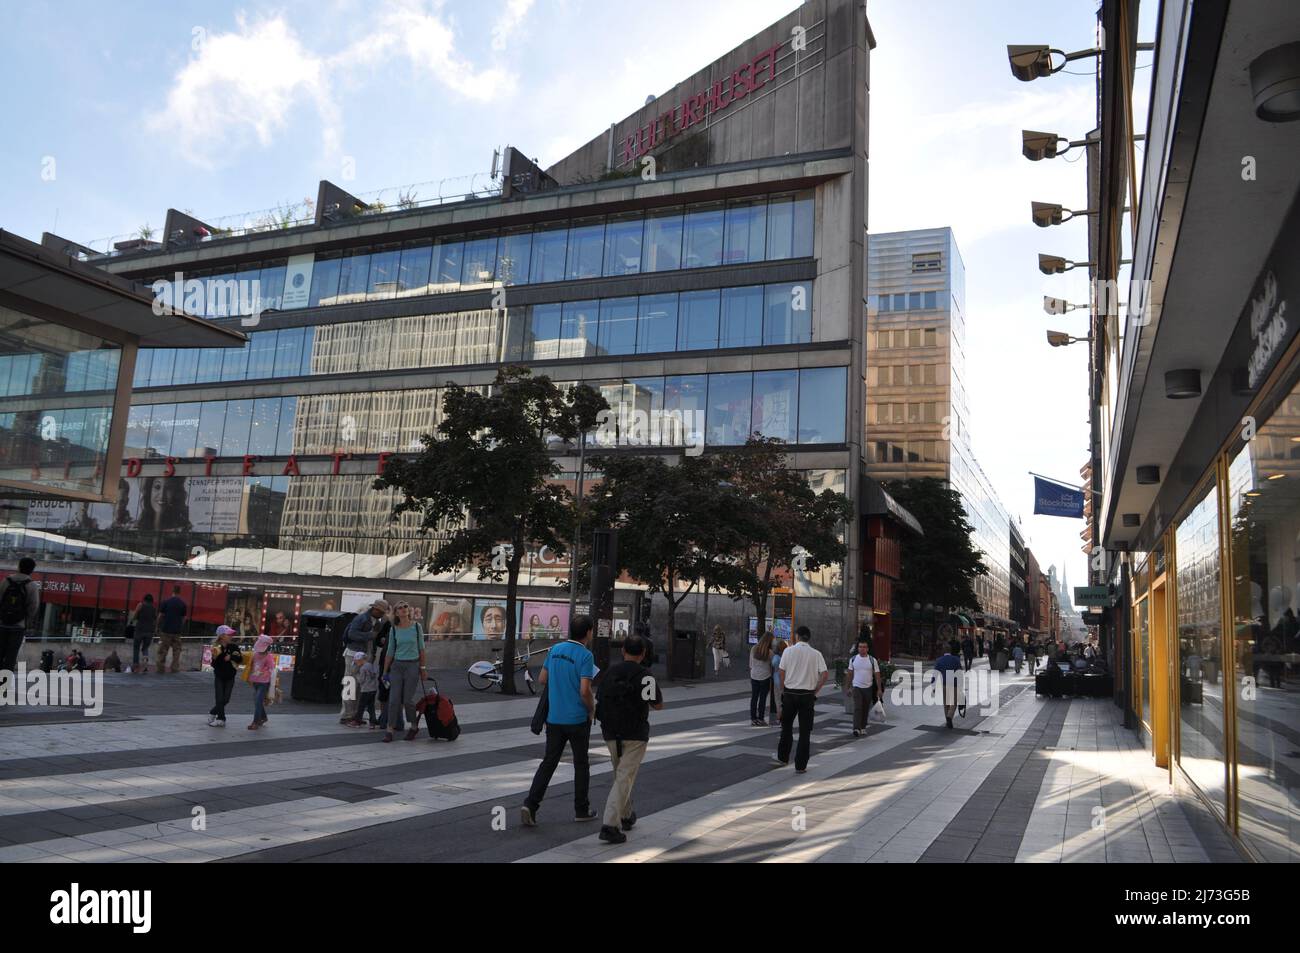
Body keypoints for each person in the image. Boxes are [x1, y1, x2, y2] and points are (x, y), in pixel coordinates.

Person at [521, 615, 598, 826]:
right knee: (581, 764)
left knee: (549, 762)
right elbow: (585, 690)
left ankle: (531, 804)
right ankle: (581, 809)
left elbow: (542, 679)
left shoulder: (555, 650)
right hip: (577, 719)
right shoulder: (586, 655)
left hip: (554, 718)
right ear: (589, 632)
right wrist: (592, 709)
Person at [594, 634, 664, 844]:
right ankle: (609, 824)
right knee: (624, 777)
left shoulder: (610, 672)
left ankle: (625, 815)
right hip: (635, 734)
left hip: (610, 733)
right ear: (643, 654)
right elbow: (657, 704)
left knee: (621, 775)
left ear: (623, 651)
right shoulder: (646, 675)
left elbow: (599, 699)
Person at [773, 626, 828, 773]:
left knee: (786, 727)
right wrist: (816, 690)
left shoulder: (788, 651)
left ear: (797, 636)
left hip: (790, 694)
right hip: (807, 696)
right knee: (805, 732)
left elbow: (781, 671)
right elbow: (825, 674)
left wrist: (784, 688)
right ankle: (801, 765)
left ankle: (783, 757)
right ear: (808, 638)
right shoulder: (816, 654)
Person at [381, 601, 427, 742]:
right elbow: (390, 651)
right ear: (396, 613)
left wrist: (423, 669)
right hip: (397, 666)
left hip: (412, 665)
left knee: (408, 700)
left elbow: (422, 649)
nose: (403, 609)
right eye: (399, 608)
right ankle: (390, 730)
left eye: (405, 606)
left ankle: (413, 726)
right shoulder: (394, 629)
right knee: (394, 699)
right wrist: (384, 671)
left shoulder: (417, 627)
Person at [341, 599, 389, 725]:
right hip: (353, 655)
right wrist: (370, 635)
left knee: (360, 686)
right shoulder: (361, 618)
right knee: (350, 684)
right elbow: (352, 634)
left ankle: (355, 715)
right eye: (381, 612)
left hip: (365, 656)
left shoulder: (377, 622)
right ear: (375, 609)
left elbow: (375, 639)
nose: (382, 614)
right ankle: (346, 715)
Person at [0, 557, 41, 674]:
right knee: (10, 657)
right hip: (18, 626)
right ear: (32, 570)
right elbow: (33, 607)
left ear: (19, 566)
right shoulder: (32, 585)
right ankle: (3, 687)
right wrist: (26, 622)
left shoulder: (6, 581)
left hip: (2, 624)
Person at [846, 638, 883, 738]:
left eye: (864, 647)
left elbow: (877, 675)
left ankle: (863, 727)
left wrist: (879, 689)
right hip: (856, 686)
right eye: (860, 647)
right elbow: (850, 673)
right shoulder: (853, 659)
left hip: (868, 687)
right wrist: (848, 687)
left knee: (865, 708)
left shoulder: (872, 660)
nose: (862, 649)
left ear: (867, 649)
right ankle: (856, 728)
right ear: (858, 648)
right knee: (858, 707)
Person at [208, 625, 243, 727]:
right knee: (219, 698)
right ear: (222, 636)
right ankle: (221, 719)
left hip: (230, 677)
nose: (231, 636)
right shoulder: (216, 648)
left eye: (231, 635)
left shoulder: (234, 647)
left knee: (226, 699)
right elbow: (213, 664)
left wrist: (231, 657)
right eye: (229, 635)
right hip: (219, 676)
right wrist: (216, 657)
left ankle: (213, 712)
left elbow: (240, 658)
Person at [156, 585, 188, 673]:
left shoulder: (166, 602)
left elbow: (160, 616)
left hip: (166, 630)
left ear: (172, 591)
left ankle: (160, 669)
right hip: (177, 632)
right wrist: (180, 625)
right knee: (176, 651)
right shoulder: (183, 604)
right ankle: (174, 669)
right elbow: (184, 618)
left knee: (162, 651)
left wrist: (157, 625)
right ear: (179, 592)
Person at [247, 634, 275, 730]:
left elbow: (272, 669)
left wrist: (264, 673)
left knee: (258, 701)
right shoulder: (255, 655)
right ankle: (263, 717)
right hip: (255, 681)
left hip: (264, 682)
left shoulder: (269, 657)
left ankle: (256, 722)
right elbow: (251, 666)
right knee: (257, 701)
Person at [934, 640, 964, 728]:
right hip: (954, 684)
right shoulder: (956, 659)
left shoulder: (939, 660)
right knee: (953, 703)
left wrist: (933, 685)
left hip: (944, 684)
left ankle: (947, 720)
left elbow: (935, 674)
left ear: (943, 651)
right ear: (950, 650)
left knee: (946, 703)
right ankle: (949, 717)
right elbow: (960, 672)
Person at [749, 632, 776, 726]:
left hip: (754, 676)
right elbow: (774, 665)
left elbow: (750, 664)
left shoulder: (753, 648)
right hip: (765, 677)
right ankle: (761, 719)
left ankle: (753, 719)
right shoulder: (770, 652)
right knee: (763, 698)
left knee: (754, 697)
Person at [129, 593, 157, 673]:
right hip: (149, 631)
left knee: (136, 647)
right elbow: (154, 619)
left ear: (144, 599)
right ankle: (145, 662)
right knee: (145, 648)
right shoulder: (153, 608)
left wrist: (132, 621)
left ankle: (135, 665)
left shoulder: (140, 605)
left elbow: (135, 615)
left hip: (140, 630)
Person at [358, 654, 380, 728]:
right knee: (371, 706)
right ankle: (372, 723)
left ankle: (357, 720)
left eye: (356, 661)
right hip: (373, 689)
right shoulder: (371, 666)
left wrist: (357, 677)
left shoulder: (363, 668)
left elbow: (361, 680)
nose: (357, 663)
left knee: (361, 706)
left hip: (365, 690)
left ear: (360, 660)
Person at [769, 638, 786, 726]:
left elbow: (774, 664)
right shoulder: (787, 655)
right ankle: (784, 718)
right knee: (784, 700)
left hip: (777, 680)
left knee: (778, 700)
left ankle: (779, 718)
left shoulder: (776, 657)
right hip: (786, 681)